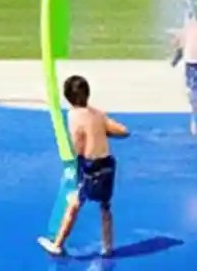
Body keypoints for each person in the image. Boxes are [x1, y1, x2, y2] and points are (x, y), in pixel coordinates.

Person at [38, 75, 129, 258]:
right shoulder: (98, 114)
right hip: (108, 165)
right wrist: (102, 132)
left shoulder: (73, 116)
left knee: (74, 203)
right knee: (105, 206)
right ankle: (107, 246)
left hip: (90, 167)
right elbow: (123, 131)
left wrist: (76, 159)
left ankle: (57, 244)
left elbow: (77, 144)